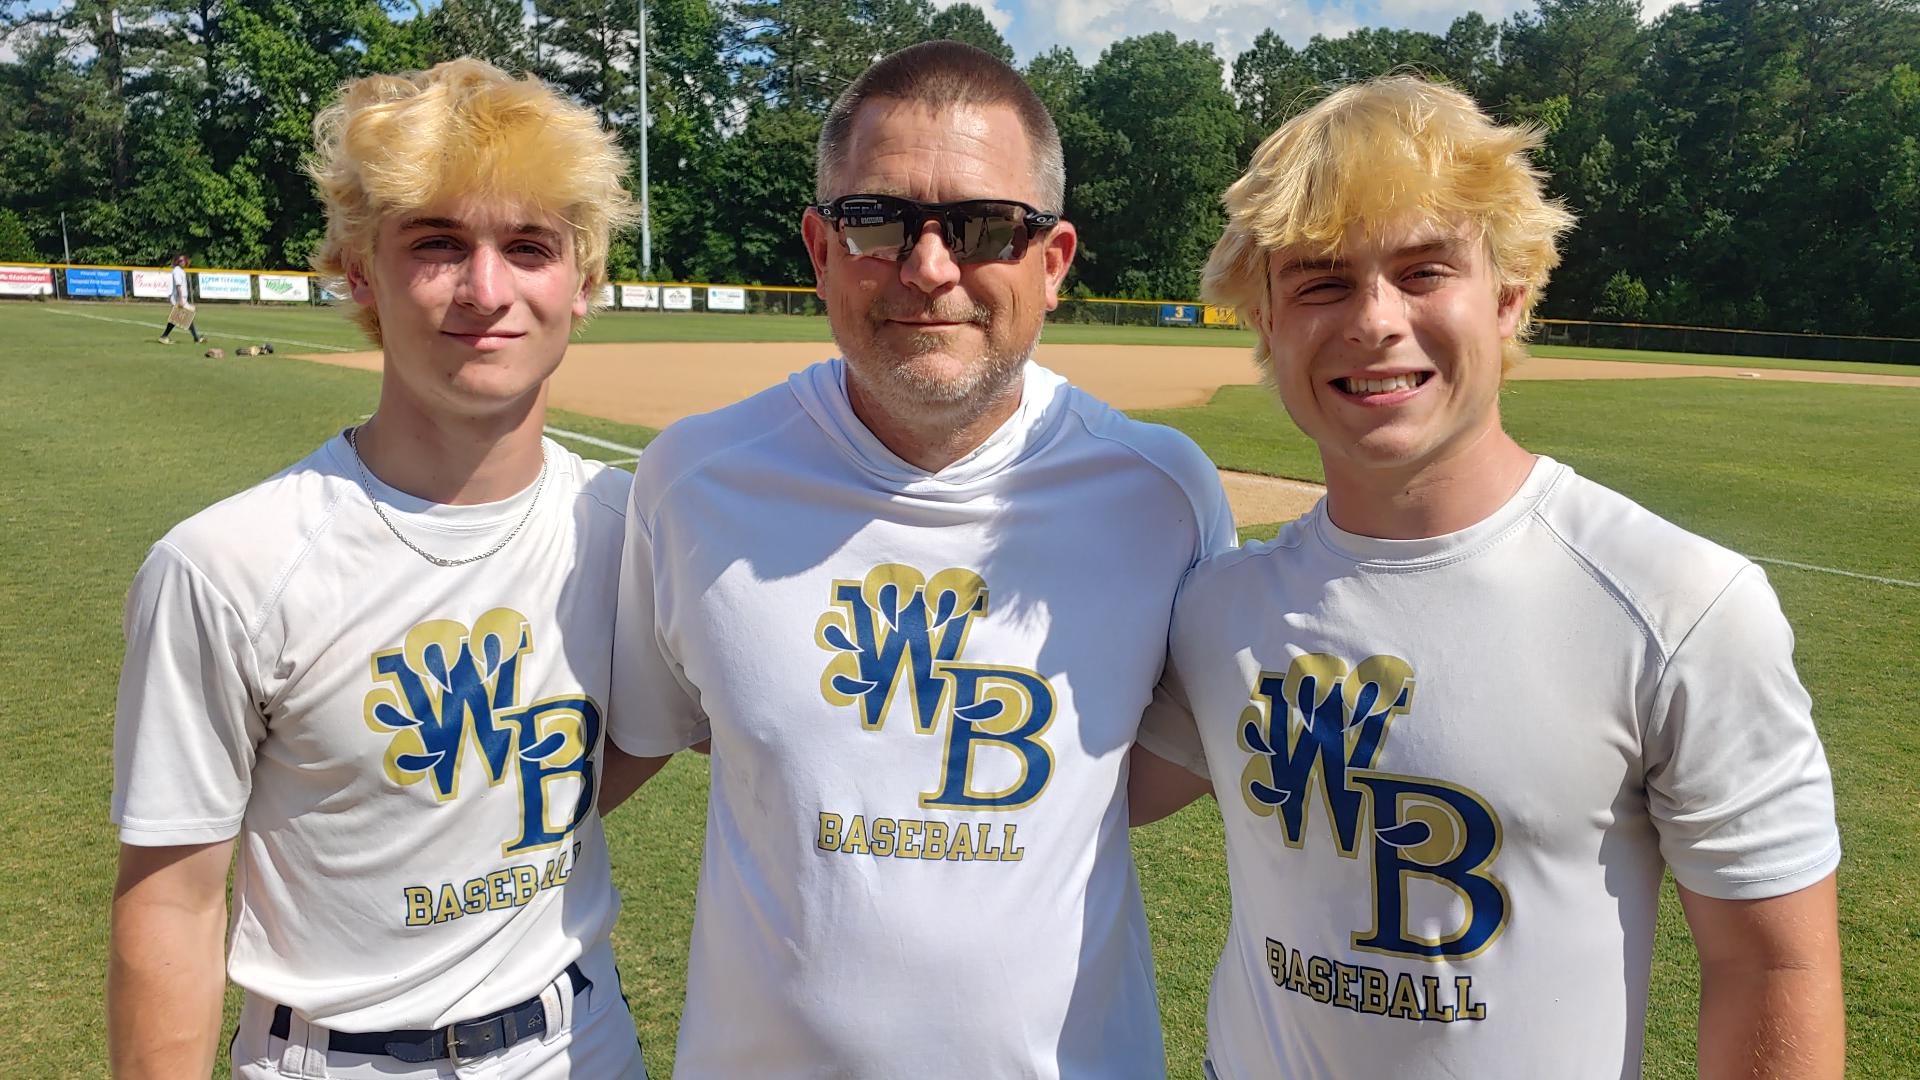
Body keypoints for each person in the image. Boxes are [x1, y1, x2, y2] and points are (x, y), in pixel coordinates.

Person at [1131, 75, 1844, 1078]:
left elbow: (1772, 969)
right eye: (1322, 281)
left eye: (1423, 271)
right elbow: (1077, 794)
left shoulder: (1677, 605)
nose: (1375, 318)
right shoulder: (1220, 611)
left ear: (1509, 298)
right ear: (1268, 325)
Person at [604, 40, 1234, 1078]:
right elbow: (647, 741)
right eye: (877, 219)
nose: (929, 267)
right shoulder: (694, 480)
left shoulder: (1162, 496)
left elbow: (1150, 776)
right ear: (818, 246)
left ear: (1055, 260)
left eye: (987, 226)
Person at [108, 59, 647, 1079]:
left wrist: (478, 817)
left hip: (583, 1045)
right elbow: (171, 901)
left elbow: (682, 721)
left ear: (582, 284)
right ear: (361, 270)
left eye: (528, 247)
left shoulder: (629, 525)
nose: (486, 291)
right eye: (438, 244)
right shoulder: (227, 564)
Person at [157, 254, 204, 345]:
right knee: (185, 317)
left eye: (183, 260)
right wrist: (181, 300)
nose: (182, 262)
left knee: (181, 318)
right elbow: (178, 286)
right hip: (178, 298)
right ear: (177, 262)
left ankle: (164, 336)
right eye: (180, 260)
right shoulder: (177, 271)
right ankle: (196, 338)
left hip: (181, 298)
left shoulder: (180, 271)